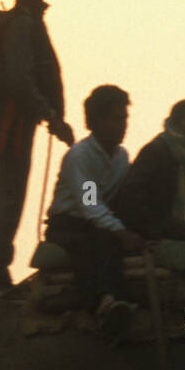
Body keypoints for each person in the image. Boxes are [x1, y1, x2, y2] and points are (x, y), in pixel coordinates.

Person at [0, 0, 75, 301]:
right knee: (7, 201)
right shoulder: (21, 25)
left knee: (10, 200)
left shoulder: (31, 20)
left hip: (19, 127)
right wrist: (51, 115)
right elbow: (19, 79)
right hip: (10, 128)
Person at [43, 85, 142, 339]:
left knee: (105, 239)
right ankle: (101, 303)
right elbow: (90, 205)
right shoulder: (79, 156)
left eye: (125, 118)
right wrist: (120, 231)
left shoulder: (121, 157)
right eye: (115, 119)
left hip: (98, 223)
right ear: (94, 122)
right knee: (90, 244)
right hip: (67, 224)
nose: (123, 125)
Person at [114, 99, 185, 290]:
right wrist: (152, 229)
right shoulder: (157, 151)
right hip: (146, 224)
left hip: (155, 221)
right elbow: (127, 195)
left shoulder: (178, 155)